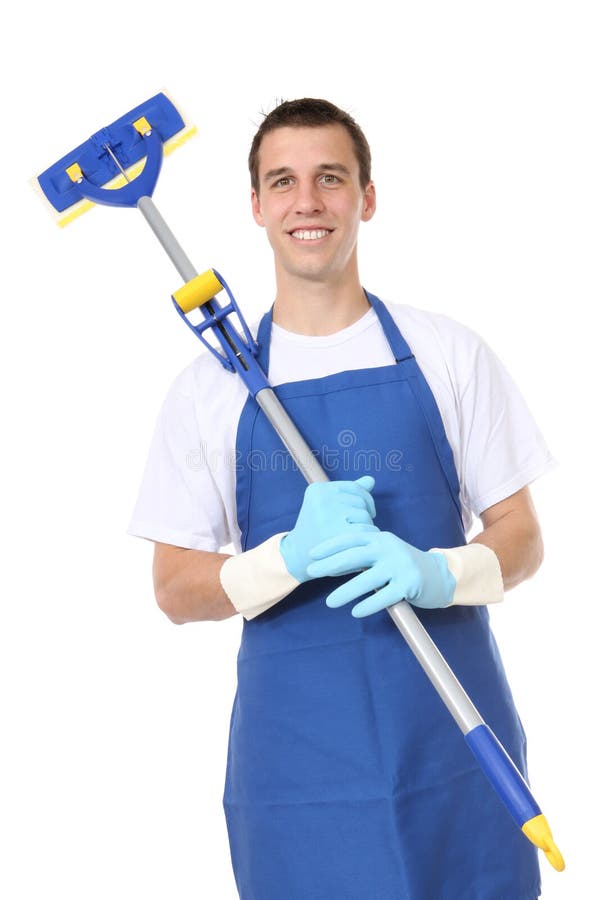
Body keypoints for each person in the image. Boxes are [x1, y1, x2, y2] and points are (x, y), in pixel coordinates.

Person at [128, 98, 554, 899]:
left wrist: (436, 573)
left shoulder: (447, 352)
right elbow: (174, 589)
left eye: (331, 177)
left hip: (454, 747)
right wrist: (284, 560)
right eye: (283, 181)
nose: (308, 202)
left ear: (366, 196)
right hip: (298, 770)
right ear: (257, 207)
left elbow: (523, 537)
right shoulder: (209, 392)